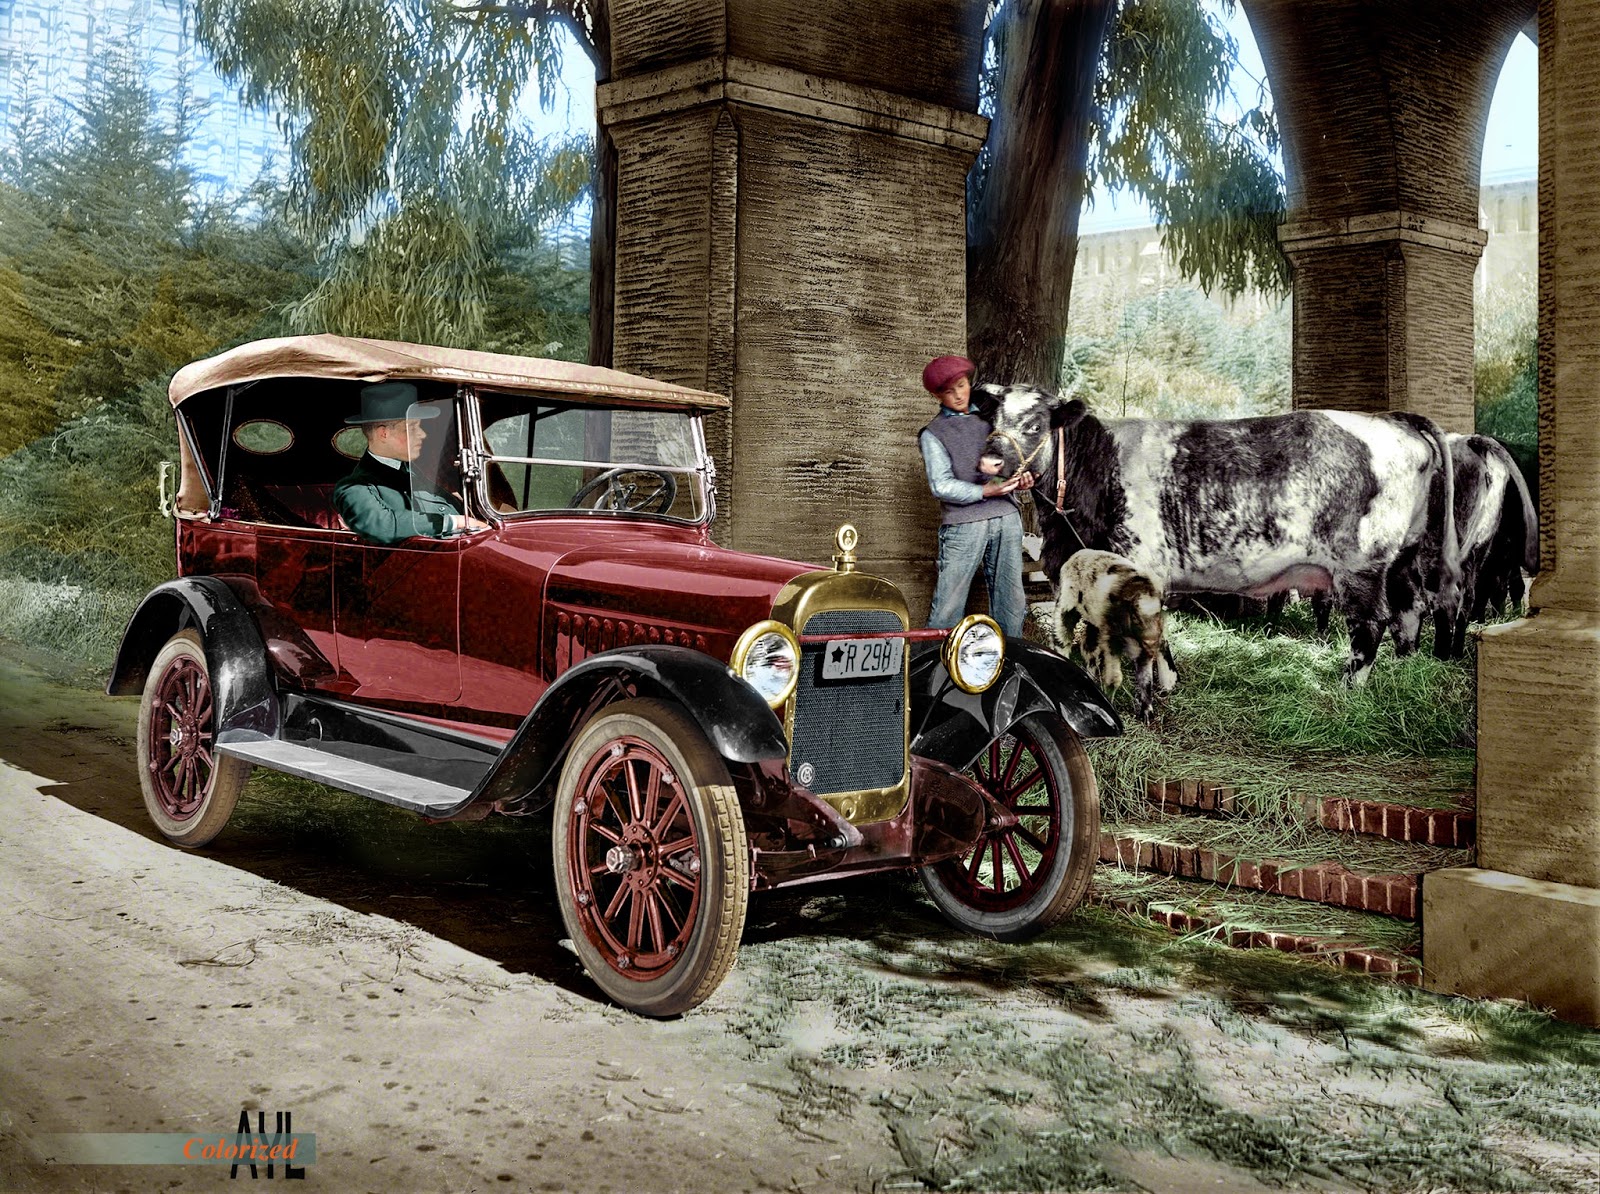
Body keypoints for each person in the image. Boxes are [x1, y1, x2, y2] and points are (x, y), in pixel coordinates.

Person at [918, 355, 1034, 639]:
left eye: (961, 385)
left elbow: (1010, 464)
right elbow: (941, 485)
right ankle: (934, 675)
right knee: (949, 607)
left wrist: (1021, 482)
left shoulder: (992, 420)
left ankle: (1009, 670)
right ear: (936, 395)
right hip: (963, 526)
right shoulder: (933, 434)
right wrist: (984, 490)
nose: (958, 394)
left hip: (1007, 519)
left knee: (1012, 604)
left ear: (969, 382)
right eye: (948, 391)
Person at [333, 381, 490, 545]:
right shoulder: (352, 487)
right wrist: (455, 522)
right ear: (384, 434)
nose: (422, 434)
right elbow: (383, 527)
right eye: (412, 427)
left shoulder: (417, 473)